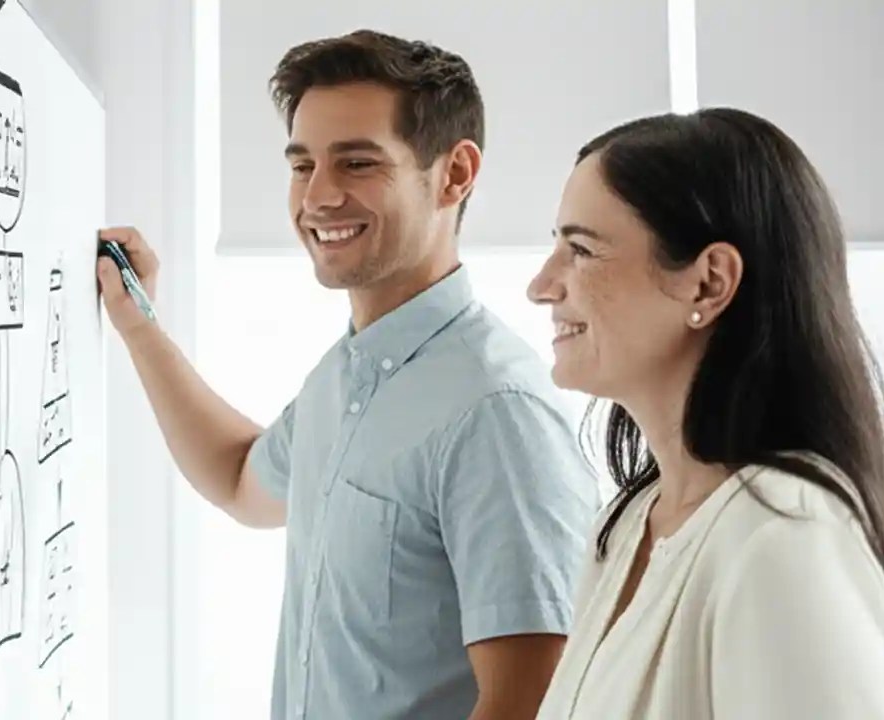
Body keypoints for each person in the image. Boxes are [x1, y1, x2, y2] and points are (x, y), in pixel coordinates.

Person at [98, 29, 597, 720]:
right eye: (302, 166)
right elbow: (243, 478)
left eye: (357, 163)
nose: (318, 198)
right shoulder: (345, 376)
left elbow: (531, 702)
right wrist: (138, 324)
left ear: (454, 174)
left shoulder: (496, 410)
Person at [528, 108, 884, 719]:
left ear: (708, 283)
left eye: (581, 249)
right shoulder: (626, 525)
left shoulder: (784, 537)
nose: (542, 285)